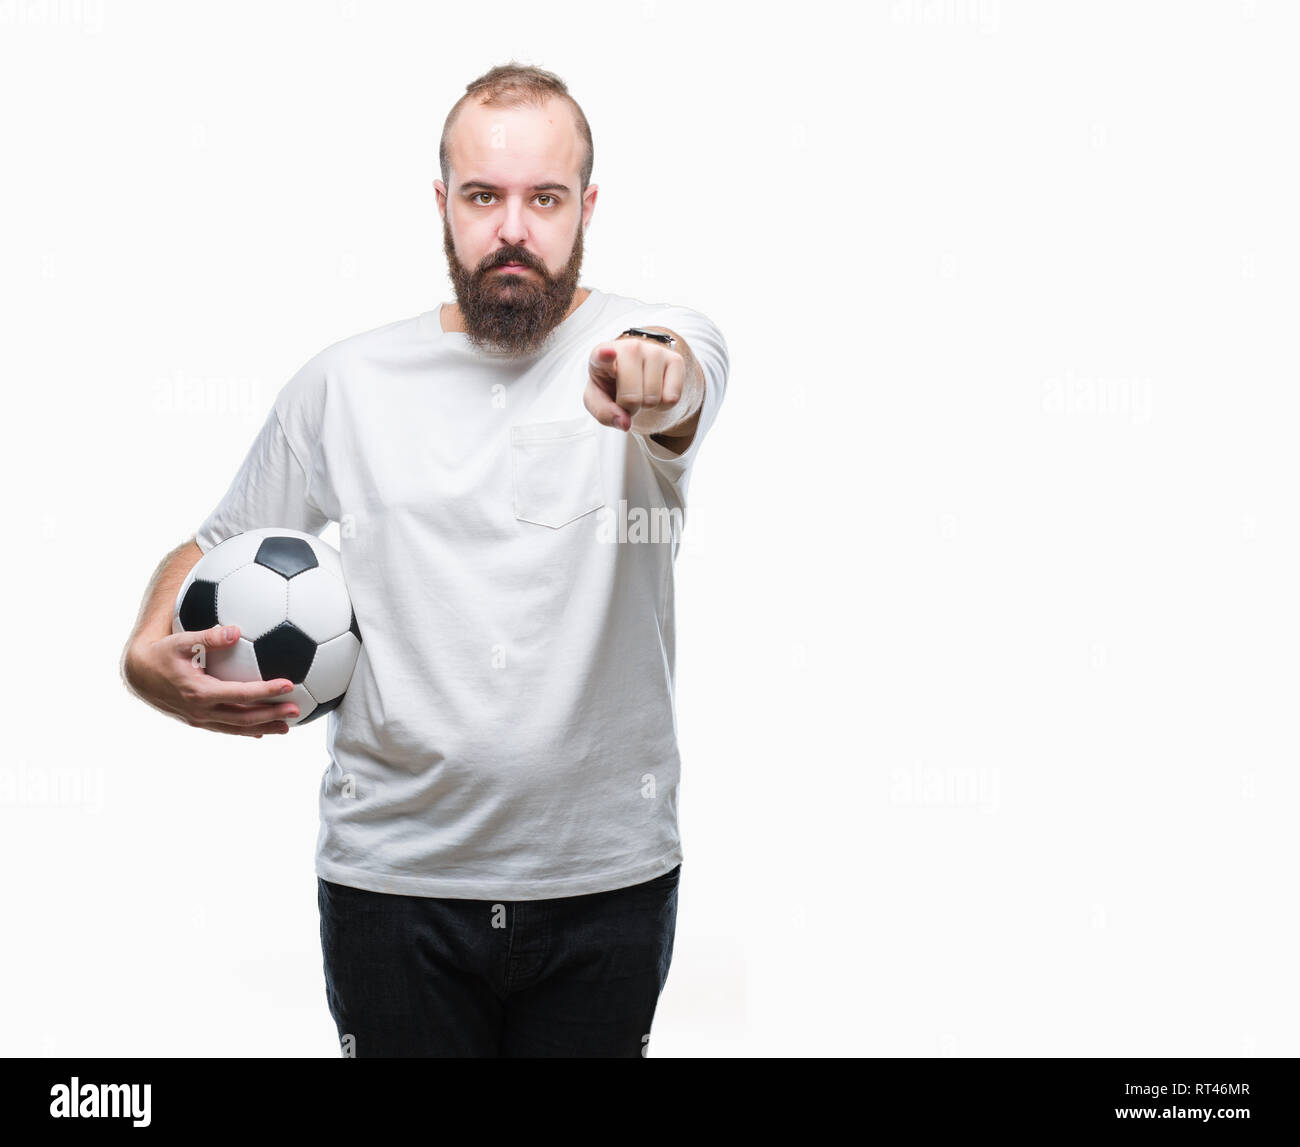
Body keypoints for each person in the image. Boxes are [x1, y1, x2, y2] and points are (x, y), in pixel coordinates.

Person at [120, 61, 728, 1058]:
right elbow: (217, 543)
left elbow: (678, 382)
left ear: (588, 206)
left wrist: (655, 378)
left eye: (545, 198)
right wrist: (146, 649)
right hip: (392, 886)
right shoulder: (346, 382)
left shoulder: (652, 341)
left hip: (604, 885)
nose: (513, 230)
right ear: (443, 205)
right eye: (484, 197)